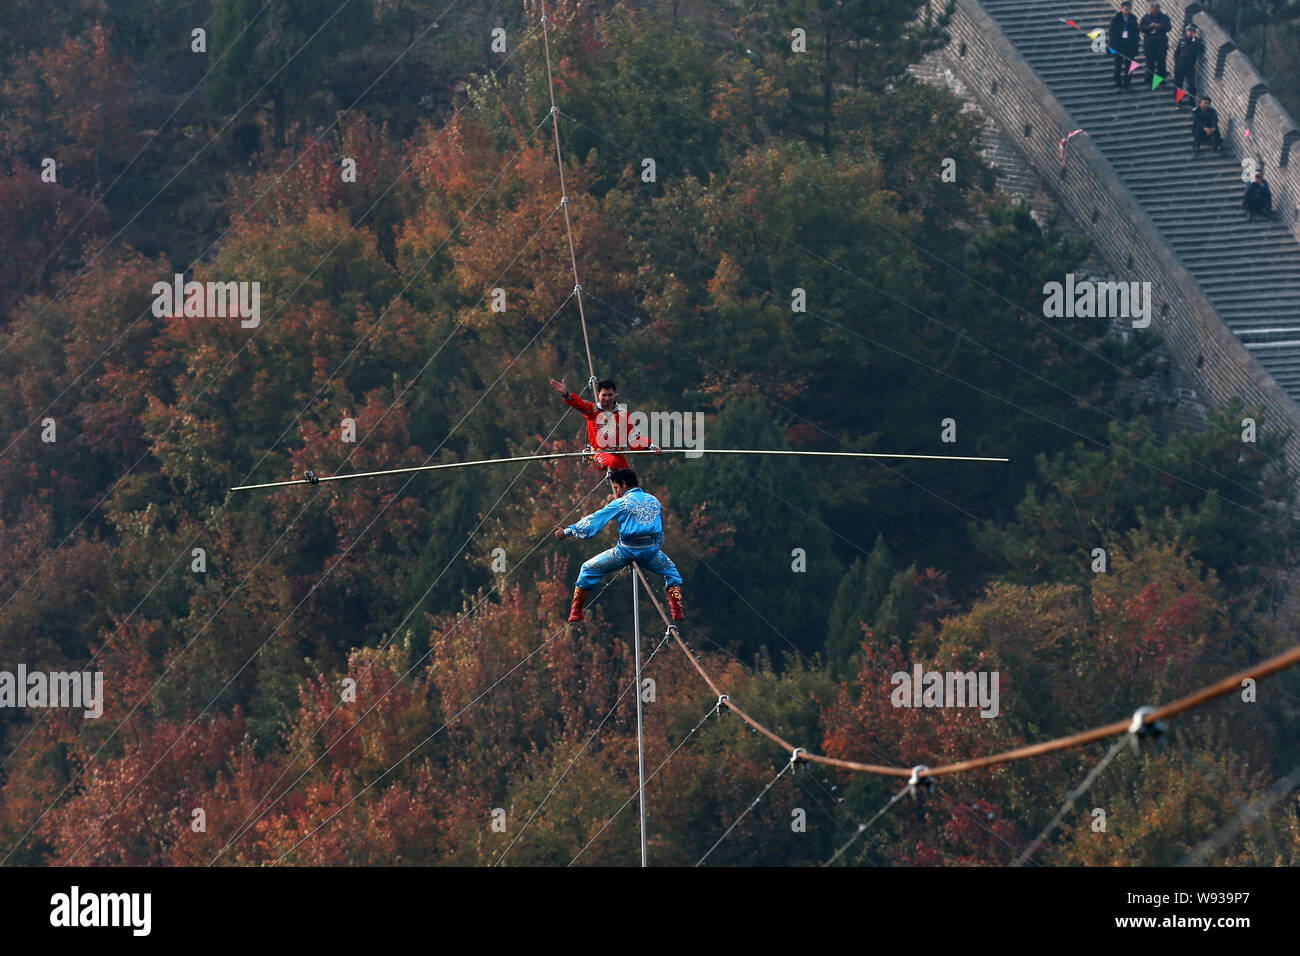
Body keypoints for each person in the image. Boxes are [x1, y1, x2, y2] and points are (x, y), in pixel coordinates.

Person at [554, 468, 684, 622]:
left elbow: (595, 519)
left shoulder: (622, 503)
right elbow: (660, 528)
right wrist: (655, 549)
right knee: (672, 573)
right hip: (650, 552)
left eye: (616, 487)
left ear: (623, 484)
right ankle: (677, 611)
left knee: (588, 568)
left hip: (625, 552)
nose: (617, 491)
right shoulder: (654, 501)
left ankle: (576, 611)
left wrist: (567, 532)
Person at [549, 377, 660, 473]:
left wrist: (650, 446)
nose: (607, 398)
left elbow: (634, 437)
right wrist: (566, 394)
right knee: (613, 462)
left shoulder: (622, 414)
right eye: (604, 395)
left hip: (617, 454)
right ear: (598, 395)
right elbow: (579, 404)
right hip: (598, 454)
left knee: (628, 476)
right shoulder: (592, 410)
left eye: (610, 395)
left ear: (615, 394)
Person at [1109, 1, 1141, 90]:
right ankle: (1118, 83)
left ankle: (1127, 83)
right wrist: (1114, 44)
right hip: (1119, 46)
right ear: (1121, 9)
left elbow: (1136, 32)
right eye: (1126, 9)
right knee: (1118, 65)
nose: (1127, 11)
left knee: (1129, 66)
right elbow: (1112, 33)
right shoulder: (1116, 19)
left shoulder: (1133, 19)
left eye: (1129, 9)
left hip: (1129, 46)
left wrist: (1134, 43)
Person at [1139, 3, 1172, 85]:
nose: (1155, 12)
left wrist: (1160, 26)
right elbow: (1141, 28)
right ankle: (1149, 80)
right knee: (1150, 63)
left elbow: (1168, 27)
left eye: (1156, 11)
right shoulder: (1146, 17)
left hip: (1161, 44)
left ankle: (1160, 81)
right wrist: (1150, 26)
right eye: (1153, 11)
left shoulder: (1164, 17)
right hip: (1149, 45)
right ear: (1151, 9)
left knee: (1161, 64)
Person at [1172, 23, 1203, 105]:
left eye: (1191, 31)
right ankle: (1178, 101)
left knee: (1191, 85)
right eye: (1188, 31)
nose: (1189, 32)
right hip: (1179, 66)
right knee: (1178, 84)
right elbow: (1177, 52)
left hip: (1190, 67)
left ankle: (1191, 101)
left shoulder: (1197, 41)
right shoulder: (1182, 40)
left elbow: (1198, 49)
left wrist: (1194, 40)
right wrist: (1176, 61)